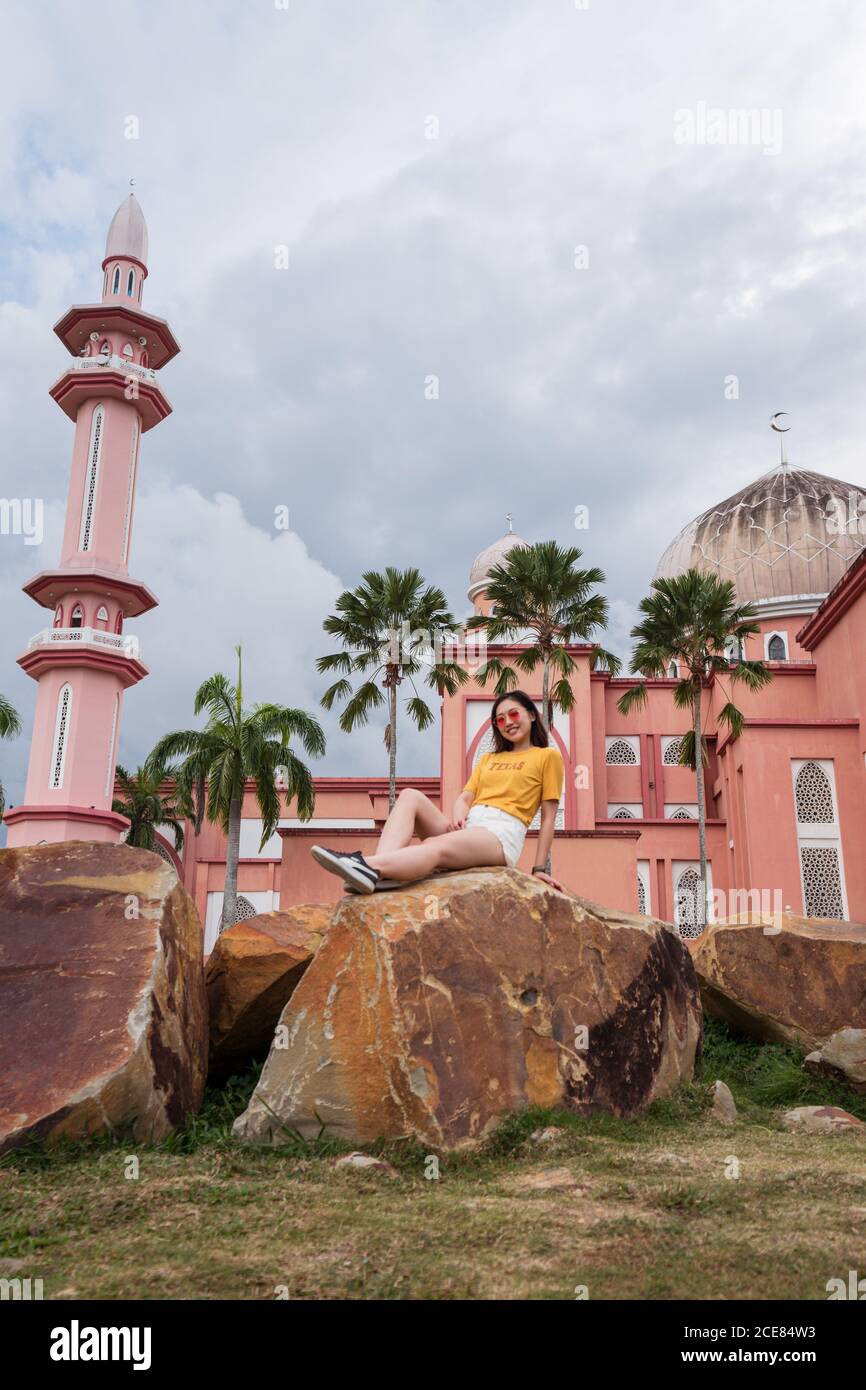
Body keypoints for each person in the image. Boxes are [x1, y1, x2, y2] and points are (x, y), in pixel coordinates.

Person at [311, 690, 565, 894]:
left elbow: (548, 817)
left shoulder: (547, 757)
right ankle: (379, 871)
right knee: (410, 795)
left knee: (435, 845)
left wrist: (538, 868)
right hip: (470, 827)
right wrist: (459, 815)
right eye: (500, 719)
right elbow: (466, 797)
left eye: (513, 714)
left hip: (500, 834)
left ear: (532, 715)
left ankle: (368, 865)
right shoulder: (489, 759)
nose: (508, 722)